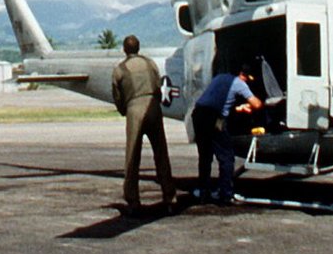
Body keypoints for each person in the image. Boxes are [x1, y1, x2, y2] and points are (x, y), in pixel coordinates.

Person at [110, 34, 176, 212]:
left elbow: (117, 95)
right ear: (138, 48)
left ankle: (133, 201)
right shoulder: (150, 63)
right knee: (161, 153)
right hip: (154, 107)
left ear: (125, 49)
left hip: (135, 109)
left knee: (132, 158)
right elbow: (158, 83)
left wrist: (125, 110)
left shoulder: (120, 69)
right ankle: (169, 196)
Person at [190, 64, 262, 203]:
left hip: (198, 115)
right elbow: (257, 104)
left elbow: (218, 99)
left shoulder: (220, 77)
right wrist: (261, 102)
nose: (247, 81)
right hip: (213, 118)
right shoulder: (240, 83)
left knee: (205, 156)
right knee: (226, 157)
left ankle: (203, 191)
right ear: (244, 75)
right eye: (248, 79)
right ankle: (225, 193)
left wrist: (238, 108)